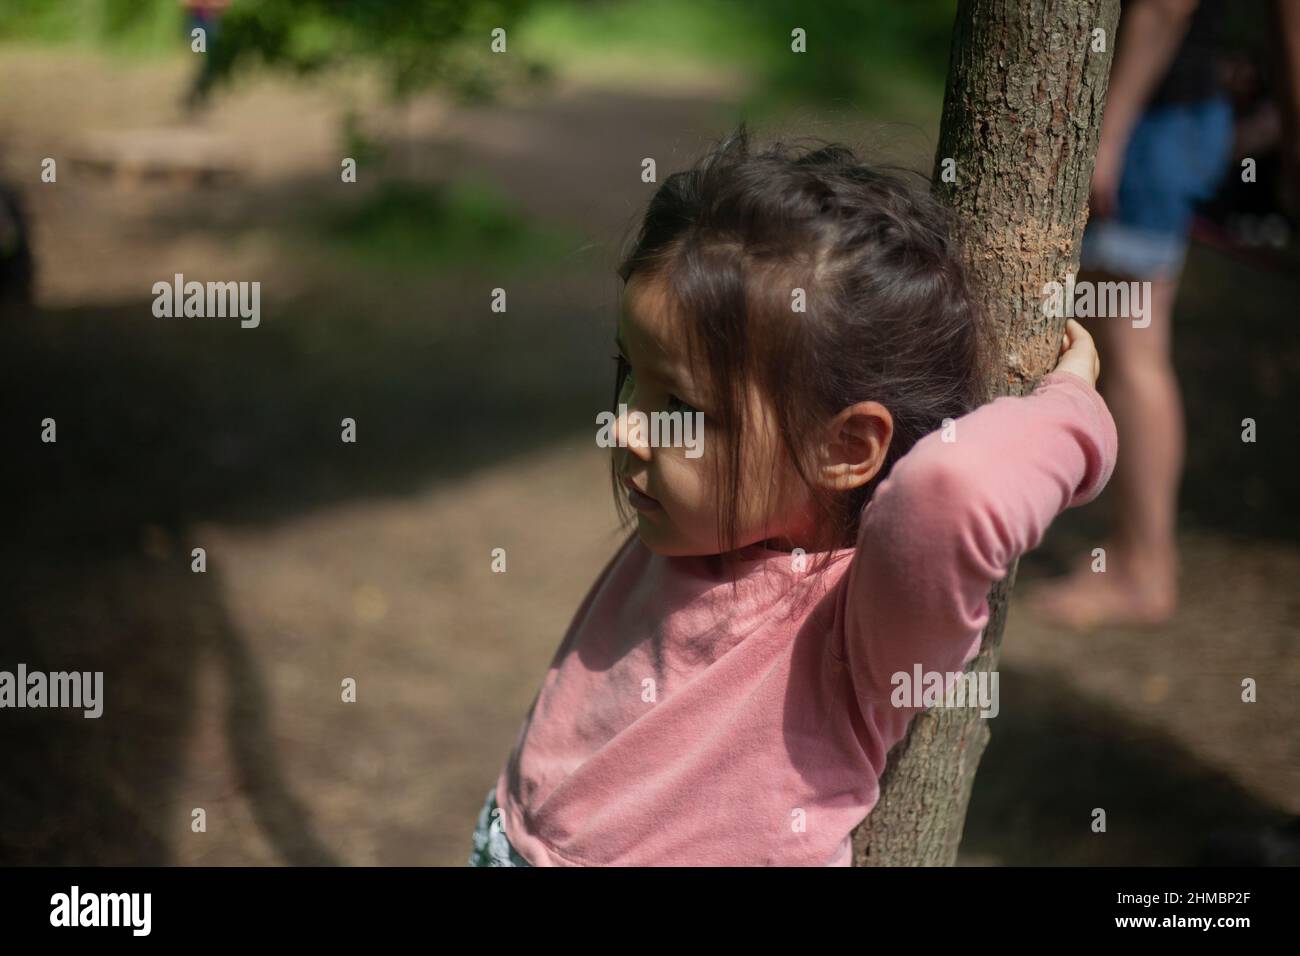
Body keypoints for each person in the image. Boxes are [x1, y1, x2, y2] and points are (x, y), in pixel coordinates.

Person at [469, 125, 1117, 866]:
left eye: (679, 408)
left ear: (844, 449)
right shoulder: (693, 517)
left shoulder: (862, 624)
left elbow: (952, 487)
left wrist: (1071, 410)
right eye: (628, 373)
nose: (622, 429)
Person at [1026, 0, 1300, 629]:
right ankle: (1133, 558)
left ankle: (1142, 570)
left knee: (1133, 349)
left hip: (1152, 121)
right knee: (1122, 341)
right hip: (1170, 116)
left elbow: (1166, 4)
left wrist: (1111, 130)